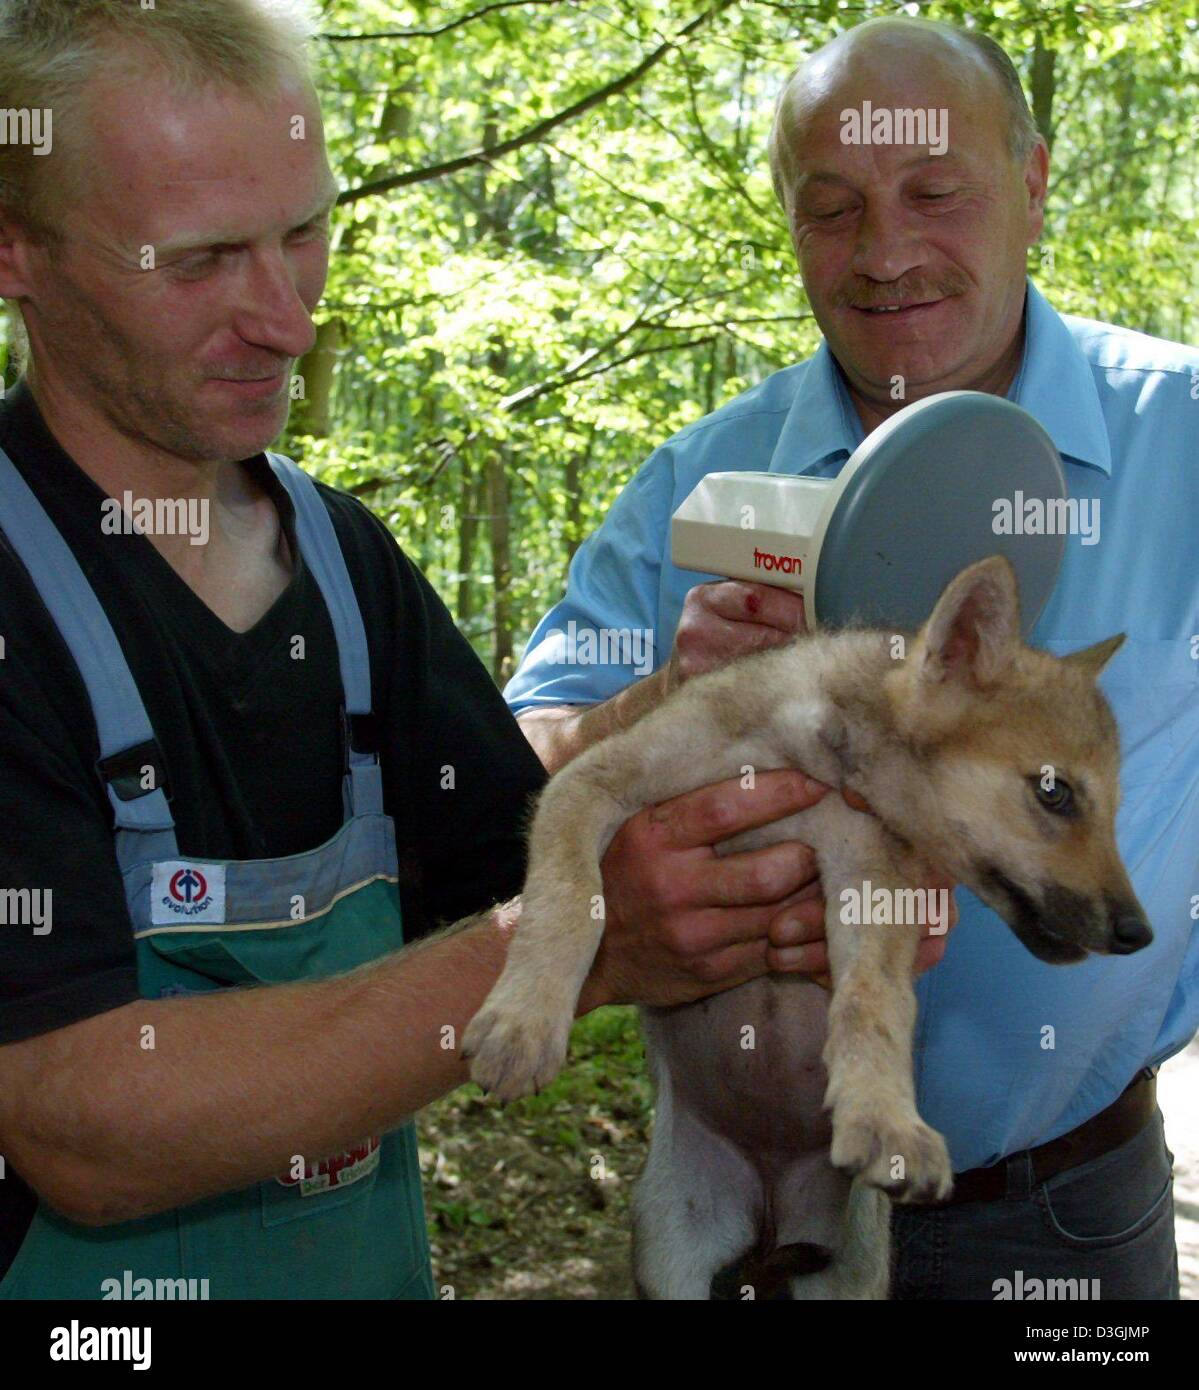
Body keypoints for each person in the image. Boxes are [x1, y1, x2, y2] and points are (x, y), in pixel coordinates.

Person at [0, 0, 933, 1300]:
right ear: (16, 251)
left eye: (305, 233)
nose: (286, 318)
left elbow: (501, 816)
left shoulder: (337, 558)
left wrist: (691, 705)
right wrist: (588, 943)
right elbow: (77, 1120)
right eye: (201, 260)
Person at [506, 16, 1199, 1299]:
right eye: (832, 209)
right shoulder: (705, 483)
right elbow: (517, 760)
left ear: (1032, 185)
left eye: (935, 193)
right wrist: (662, 697)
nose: (885, 254)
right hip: (731, 1187)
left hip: (1067, 1215)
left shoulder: (1184, 445)